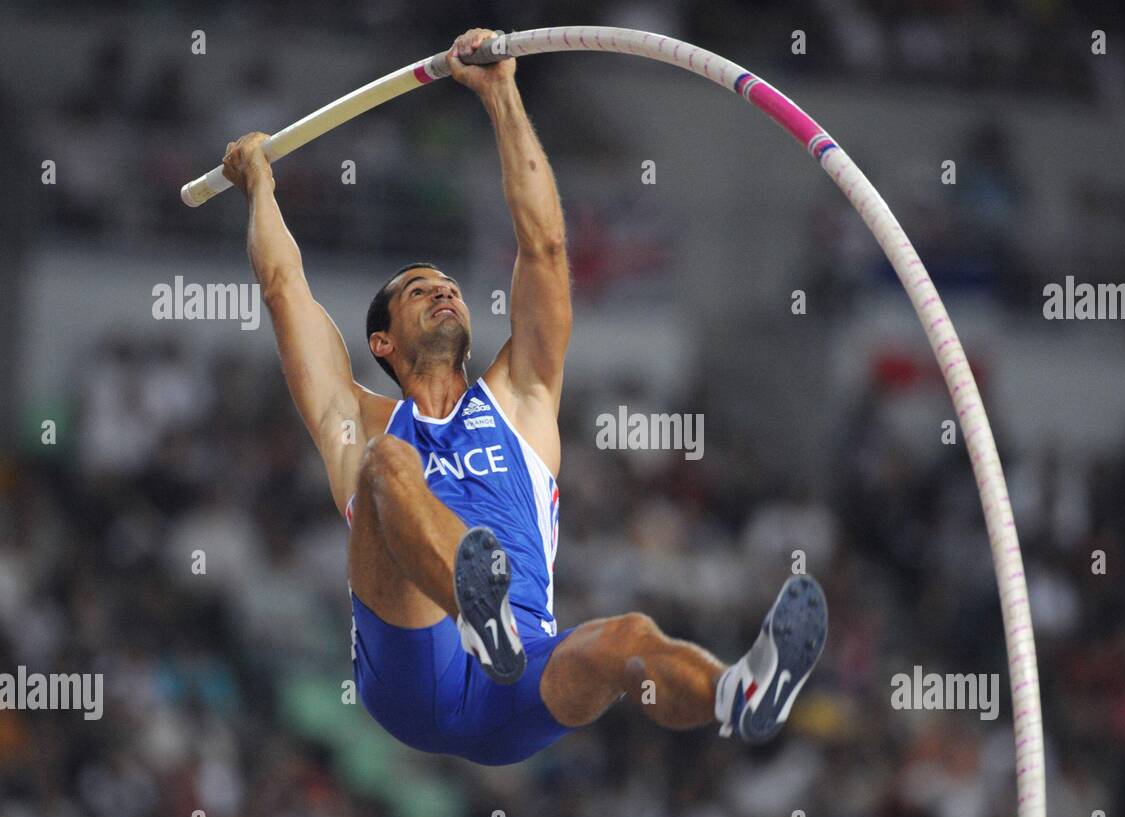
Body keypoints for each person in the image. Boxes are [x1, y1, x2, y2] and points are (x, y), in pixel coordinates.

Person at [220, 28, 827, 766]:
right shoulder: (356, 420)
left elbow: (543, 247)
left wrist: (503, 94)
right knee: (386, 466)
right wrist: (260, 184)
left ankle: (737, 693)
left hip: (520, 679)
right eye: (419, 290)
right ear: (381, 342)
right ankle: (477, 614)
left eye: (448, 285)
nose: (443, 290)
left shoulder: (524, 397)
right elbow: (286, 290)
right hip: (417, 673)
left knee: (627, 637)